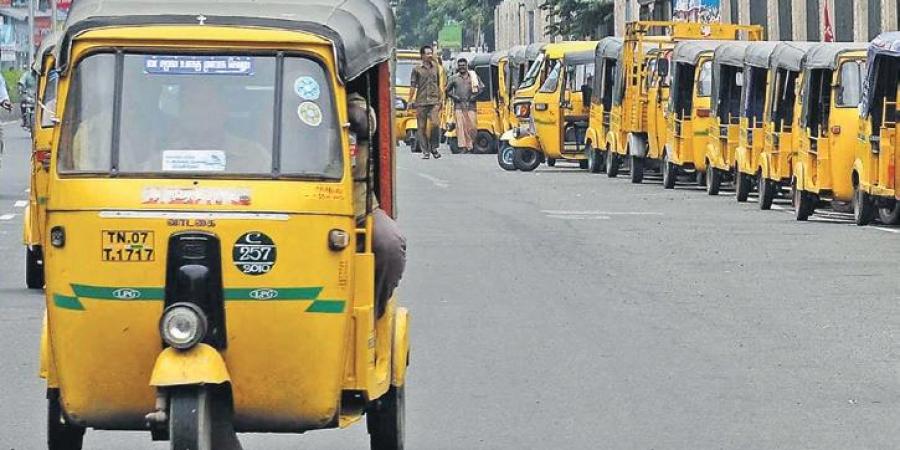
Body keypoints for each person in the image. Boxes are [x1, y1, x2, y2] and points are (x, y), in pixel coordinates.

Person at [348, 89, 407, 317]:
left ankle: (374, 313)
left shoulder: (351, 101)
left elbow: (366, 121)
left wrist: (337, 110)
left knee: (389, 244)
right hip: (292, 206)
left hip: (356, 207)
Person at [408, 45, 442, 159]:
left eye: (431, 53)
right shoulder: (416, 69)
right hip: (421, 101)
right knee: (421, 127)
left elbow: (438, 84)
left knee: (435, 124)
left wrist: (440, 99)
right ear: (422, 55)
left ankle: (434, 147)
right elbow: (413, 86)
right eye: (427, 53)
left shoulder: (436, 67)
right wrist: (410, 100)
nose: (430, 55)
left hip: (434, 101)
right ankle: (425, 151)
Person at [445, 57, 481, 153]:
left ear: (467, 66)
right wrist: (454, 97)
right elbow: (447, 91)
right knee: (460, 127)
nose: (462, 67)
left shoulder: (473, 76)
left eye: (463, 65)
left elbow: (481, 88)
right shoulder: (454, 78)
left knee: (472, 126)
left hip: (471, 105)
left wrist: (475, 96)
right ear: (458, 66)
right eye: (460, 65)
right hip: (459, 106)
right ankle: (463, 147)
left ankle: (471, 145)